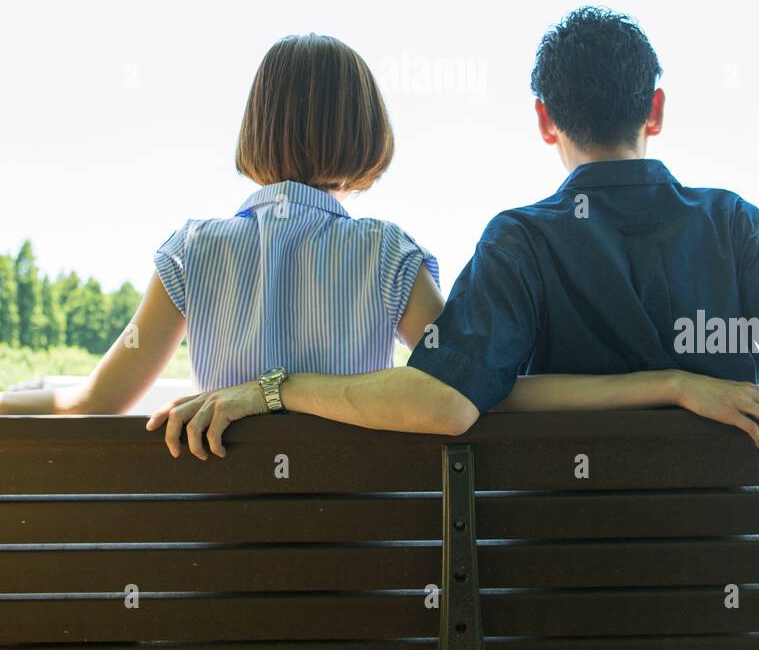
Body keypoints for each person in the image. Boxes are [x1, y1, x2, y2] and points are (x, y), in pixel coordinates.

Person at [145, 8, 759, 458]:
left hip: (551, 613)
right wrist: (680, 383)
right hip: (737, 617)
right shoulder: (734, 226)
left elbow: (452, 400)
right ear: (656, 109)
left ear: (544, 119)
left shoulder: (520, 243)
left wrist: (274, 389)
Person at [0, 34, 445, 425]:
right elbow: (456, 385)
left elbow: (93, 401)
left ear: (257, 127)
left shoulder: (192, 251)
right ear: (367, 132)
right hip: (358, 519)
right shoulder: (387, 254)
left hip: (228, 518)